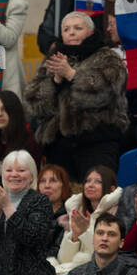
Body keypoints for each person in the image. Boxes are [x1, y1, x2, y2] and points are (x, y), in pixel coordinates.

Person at [23, 12, 128, 179]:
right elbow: (33, 103)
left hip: (97, 142)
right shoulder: (53, 59)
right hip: (59, 144)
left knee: (97, 194)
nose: (71, 32)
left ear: (90, 32)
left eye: (78, 28)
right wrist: (55, 82)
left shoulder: (108, 58)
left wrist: (72, 75)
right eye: (66, 29)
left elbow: (105, 94)